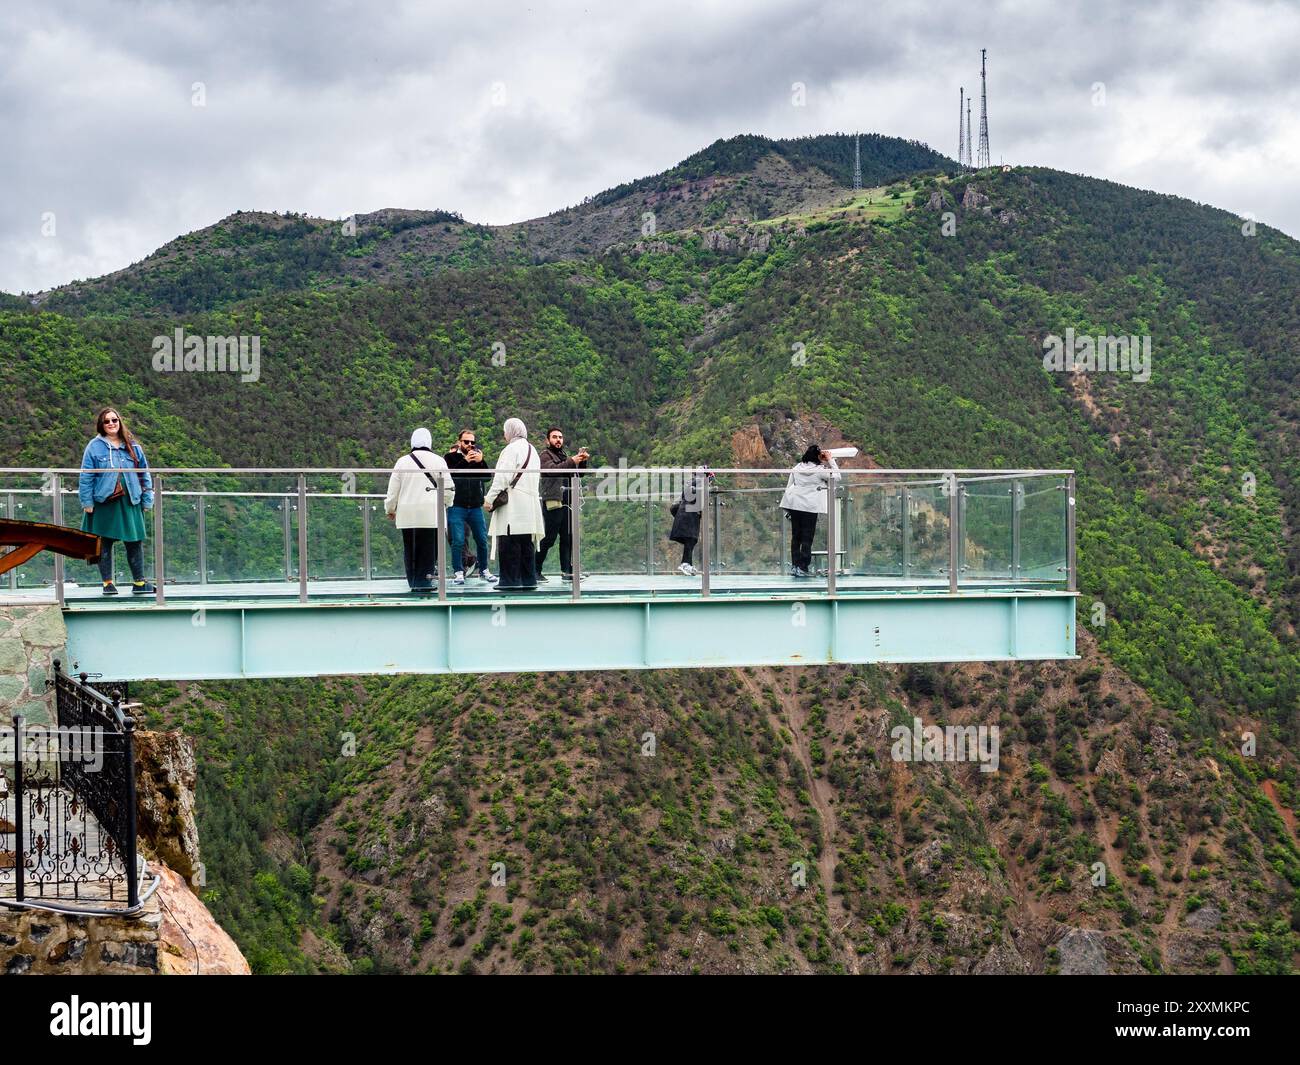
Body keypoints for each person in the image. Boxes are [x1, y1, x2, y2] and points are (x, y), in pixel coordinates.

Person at [78, 407, 155, 596]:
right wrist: (87, 502)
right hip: (104, 501)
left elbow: (144, 474)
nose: (111, 424)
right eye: (107, 421)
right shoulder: (94, 447)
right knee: (104, 542)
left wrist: (147, 499)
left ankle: (139, 582)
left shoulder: (133, 446)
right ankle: (108, 584)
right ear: (101, 425)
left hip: (131, 500)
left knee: (134, 541)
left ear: (120, 422)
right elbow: (86, 476)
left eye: (114, 420)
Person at [384, 428, 453, 596]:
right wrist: (446, 504)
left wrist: (390, 509)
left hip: (407, 514)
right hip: (431, 513)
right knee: (429, 550)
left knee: (410, 549)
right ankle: (425, 582)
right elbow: (449, 488)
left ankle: (413, 582)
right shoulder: (438, 461)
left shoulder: (402, 462)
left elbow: (393, 491)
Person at [484, 418, 543, 591]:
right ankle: (528, 579)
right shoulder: (533, 451)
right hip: (530, 505)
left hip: (513, 504)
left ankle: (509, 581)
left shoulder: (511, 450)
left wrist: (489, 499)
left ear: (510, 431)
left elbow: (502, 478)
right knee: (526, 543)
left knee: (509, 542)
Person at [535, 426, 589, 582]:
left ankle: (567, 571)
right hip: (553, 500)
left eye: (560, 437)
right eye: (554, 437)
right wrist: (572, 460)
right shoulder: (545, 456)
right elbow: (552, 470)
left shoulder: (563, 455)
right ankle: (535, 569)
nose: (558, 439)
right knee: (549, 538)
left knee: (568, 537)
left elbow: (578, 474)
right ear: (548, 440)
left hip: (568, 501)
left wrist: (582, 462)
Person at [444, 428, 496, 585]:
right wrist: (465, 460)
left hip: (475, 506)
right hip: (456, 505)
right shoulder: (450, 457)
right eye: (466, 442)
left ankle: (484, 570)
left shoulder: (477, 458)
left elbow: (487, 477)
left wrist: (481, 461)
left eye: (472, 442)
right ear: (459, 442)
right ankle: (458, 572)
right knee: (458, 540)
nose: (470, 445)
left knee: (481, 539)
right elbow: (450, 475)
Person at [779, 444, 841, 577]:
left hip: (795, 505)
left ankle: (795, 566)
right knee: (807, 537)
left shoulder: (797, 467)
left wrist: (788, 507)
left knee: (796, 537)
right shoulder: (819, 470)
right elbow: (836, 477)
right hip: (810, 507)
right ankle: (803, 567)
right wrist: (830, 459)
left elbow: (790, 486)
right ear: (818, 457)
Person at [668, 468, 715, 576]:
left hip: (685, 515)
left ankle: (687, 564)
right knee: (691, 539)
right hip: (689, 516)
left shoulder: (692, 483)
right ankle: (685, 564)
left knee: (691, 540)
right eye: (710, 479)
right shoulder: (699, 484)